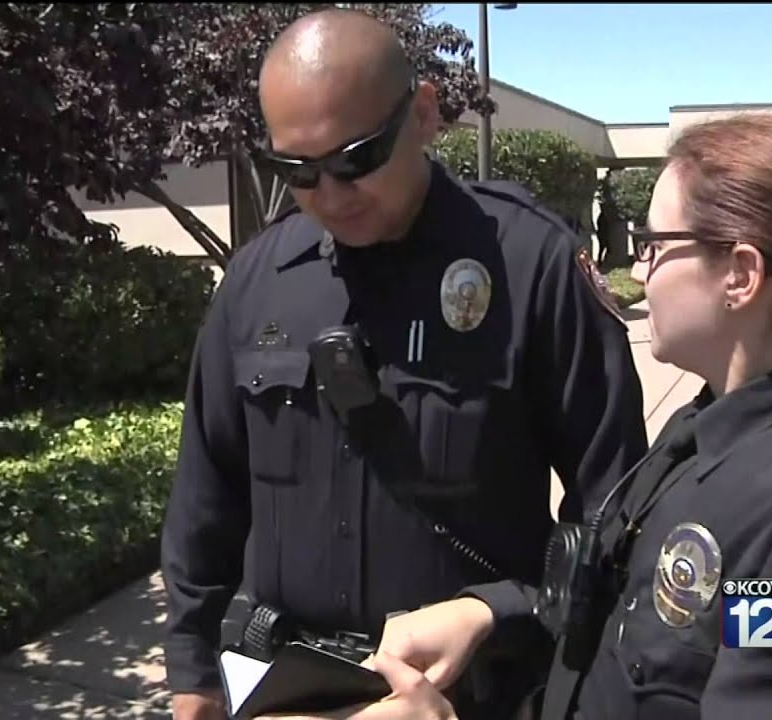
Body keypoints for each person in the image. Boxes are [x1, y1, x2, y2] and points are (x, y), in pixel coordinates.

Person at [333, 113, 772, 719]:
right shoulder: (704, 433)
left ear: (741, 275)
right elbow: (625, 610)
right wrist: (492, 614)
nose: (637, 270)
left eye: (653, 246)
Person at [158, 8, 649, 720]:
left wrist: (504, 610)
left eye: (355, 159)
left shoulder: (529, 266)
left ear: (422, 114)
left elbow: (617, 507)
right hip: (290, 696)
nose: (330, 195)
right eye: (297, 171)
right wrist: (193, 673)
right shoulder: (257, 281)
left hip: (470, 697)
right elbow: (206, 496)